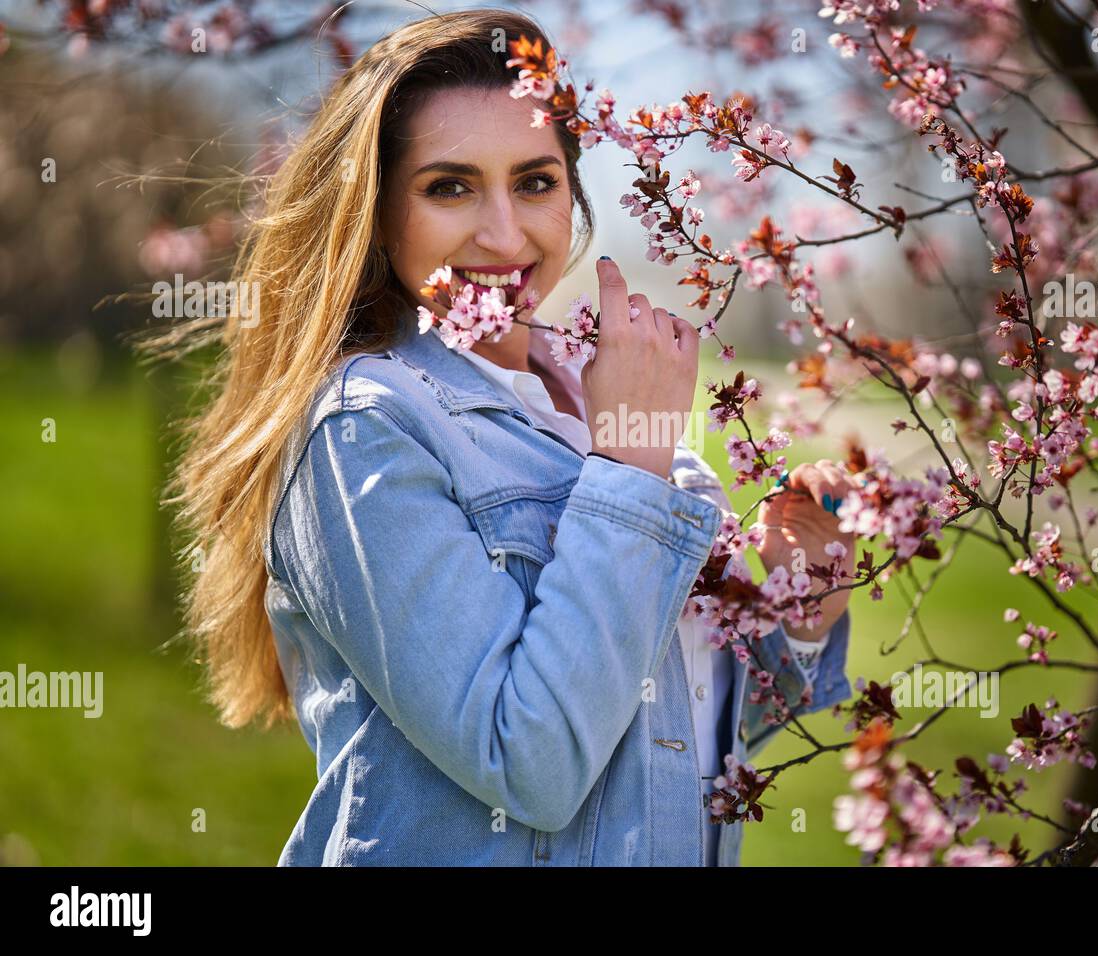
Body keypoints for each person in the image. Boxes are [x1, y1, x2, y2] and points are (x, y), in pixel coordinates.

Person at [151, 9, 856, 866]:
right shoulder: (368, 428)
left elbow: (666, 726)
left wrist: (802, 609)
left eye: (534, 182)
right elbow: (537, 764)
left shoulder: (603, 400)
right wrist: (630, 472)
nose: (503, 233)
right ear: (377, 213)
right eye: (448, 187)